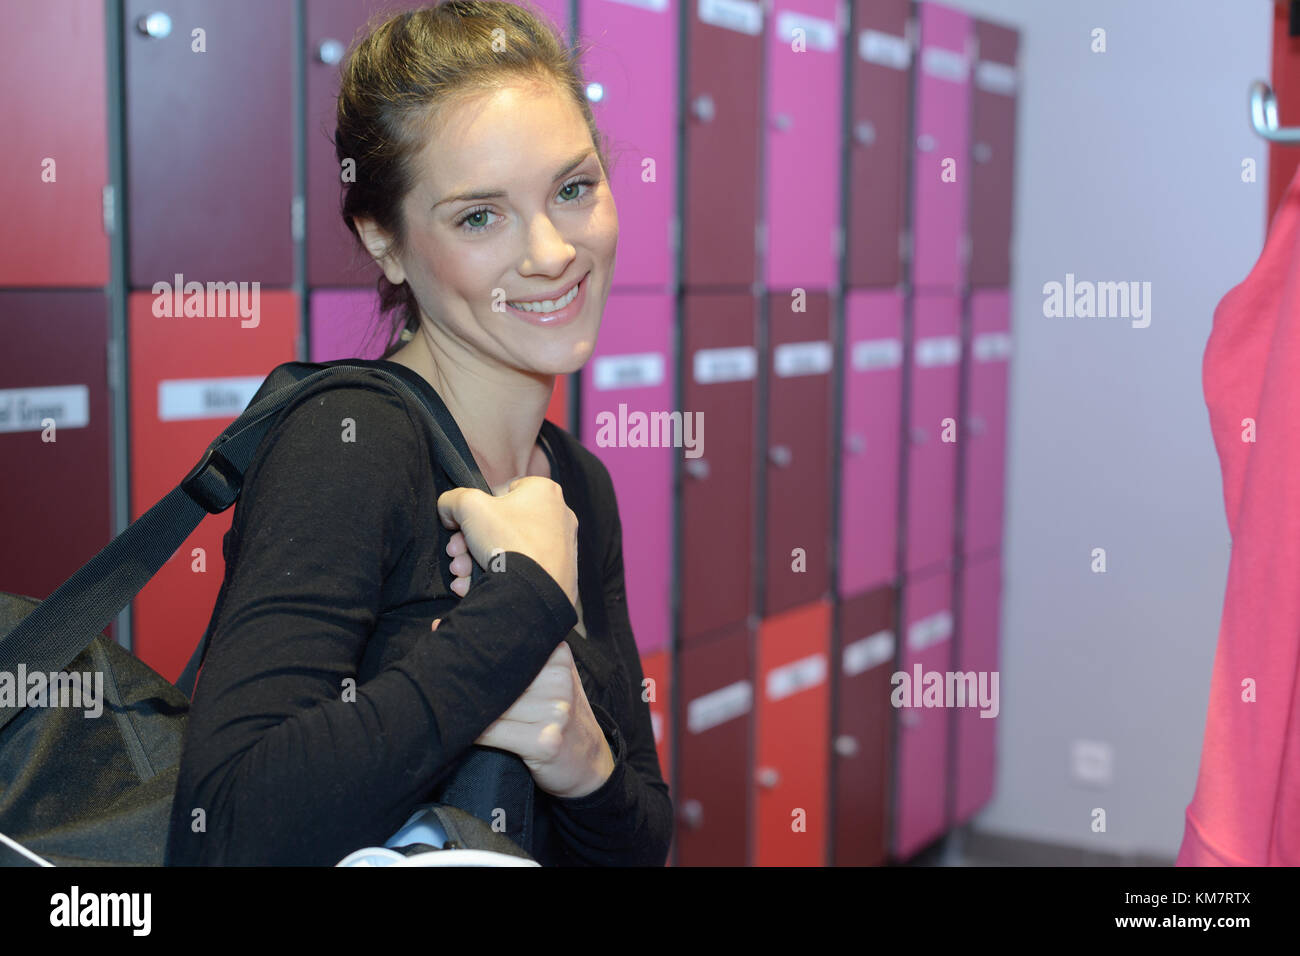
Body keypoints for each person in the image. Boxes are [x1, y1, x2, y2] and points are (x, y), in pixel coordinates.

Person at [165, 0, 673, 866]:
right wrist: (522, 601)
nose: (552, 252)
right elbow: (222, 831)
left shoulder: (577, 480)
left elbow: (643, 842)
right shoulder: (351, 443)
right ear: (386, 243)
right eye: (480, 216)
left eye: (573, 189)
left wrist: (581, 759)